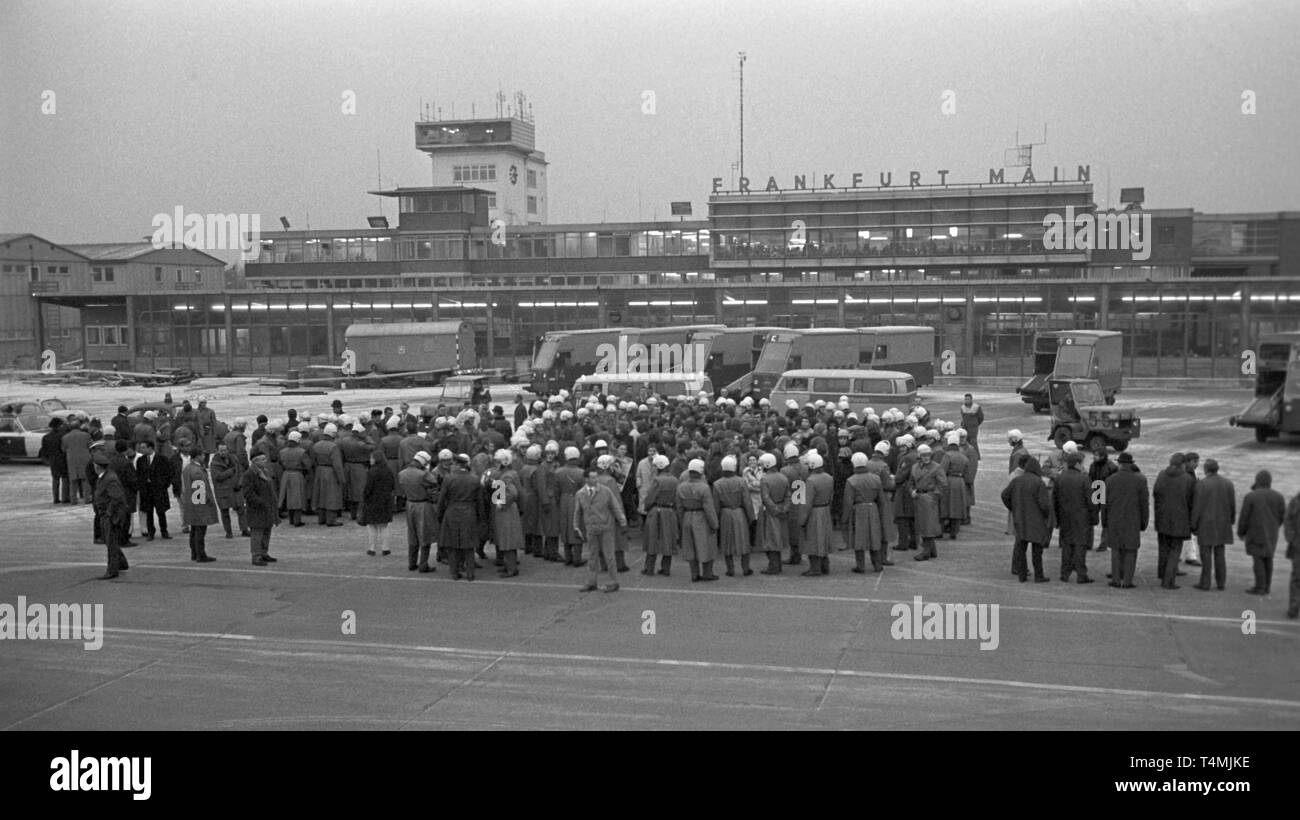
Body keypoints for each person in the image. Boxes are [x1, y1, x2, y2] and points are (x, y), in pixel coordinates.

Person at [574, 467, 626, 593]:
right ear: (586, 479)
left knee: (609, 556)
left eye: (596, 477)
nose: (596, 479)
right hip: (591, 528)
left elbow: (615, 506)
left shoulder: (606, 491)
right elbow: (577, 511)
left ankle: (614, 582)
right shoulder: (580, 494)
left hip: (606, 528)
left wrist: (622, 521)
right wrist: (576, 526)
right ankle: (592, 582)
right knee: (592, 556)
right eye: (593, 477)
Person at [1002, 454, 1052, 582]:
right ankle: (1039, 575)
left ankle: (1022, 574)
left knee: (1021, 548)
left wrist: (1013, 508)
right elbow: (1044, 504)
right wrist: (1046, 515)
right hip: (1036, 520)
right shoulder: (1039, 482)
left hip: (1020, 518)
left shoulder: (1017, 480)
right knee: (1037, 550)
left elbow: (1005, 495)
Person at [1103, 452, 1148, 589]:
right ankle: (1128, 581)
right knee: (1130, 550)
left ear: (1119, 464)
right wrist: (1144, 522)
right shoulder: (1140, 480)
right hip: (1133, 520)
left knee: (1116, 550)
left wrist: (1104, 521)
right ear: (1131, 464)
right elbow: (1144, 504)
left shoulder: (1110, 480)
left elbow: (1104, 504)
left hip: (1114, 520)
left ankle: (1116, 579)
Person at [1189, 458, 1234, 591]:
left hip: (1206, 524)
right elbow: (1232, 505)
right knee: (1220, 554)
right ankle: (1221, 582)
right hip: (1222, 523)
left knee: (1206, 555)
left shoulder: (1202, 484)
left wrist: (1193, 524)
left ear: (1206, 469)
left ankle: (1205, 582)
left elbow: (1197, 507)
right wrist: (1231, 520)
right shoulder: (1228, 484)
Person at [1238, 470, 1285, 596]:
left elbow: (1244, 517)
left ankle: (1260, 587)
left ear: (1257, 481)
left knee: (1258, 559)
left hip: (1255, 532)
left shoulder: (1250, 496)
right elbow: (1282, 517)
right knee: (1268, 558)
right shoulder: (1279, 497)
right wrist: (1274, 526)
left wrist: (1241, 532)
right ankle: (1267, 587)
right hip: (1272, 533)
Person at [1153, 453, 1195, 590]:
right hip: (1180, 519)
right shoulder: (1188, 479)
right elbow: (1191, 501)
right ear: (1183, 464)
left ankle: (1162, 574)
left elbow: (1156, 493)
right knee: (1175, 550)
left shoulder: (1161, 475)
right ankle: (1168, 580)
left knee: (1163, 548)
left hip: (1162, 518)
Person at [1054, 450, 1096, 583]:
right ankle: (1081, 574)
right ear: (1077, 464)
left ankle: (1064, 573)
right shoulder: (1084, 478)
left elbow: (1054, 499)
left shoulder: (1060, 478)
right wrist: (1094, 517)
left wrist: (1057, 518)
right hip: (1081, 518)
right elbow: (1091, 500)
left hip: (1065, 516)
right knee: (1080, 545)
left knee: (1066, 544)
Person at [438, 454, 482, 581]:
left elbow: (442, 499)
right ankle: (470, 573)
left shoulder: (448, 478)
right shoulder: (474, 479)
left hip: (452, 511)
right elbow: (479, 501)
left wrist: (440, 515)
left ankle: (454, 573)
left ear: (457, 465)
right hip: (469, 512)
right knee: (469, 545)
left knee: (452, 545)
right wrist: (480, 517)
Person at [677, 458, 720, 582]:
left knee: (690, 547)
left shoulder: (681, 487)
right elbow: (709, 508)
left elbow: (679, 507)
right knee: (707, 545)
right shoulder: (704, 487)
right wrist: (714, 524)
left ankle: (694, 574)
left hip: (687, 516)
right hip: (701, 517)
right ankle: (707, 573)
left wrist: (682, 522)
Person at [842, 451, 886, 573]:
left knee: (858, 538)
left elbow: (848, 502)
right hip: (873, 509)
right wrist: (881, 513)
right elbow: (881, 499)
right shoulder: (876, 478)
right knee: (875, 537)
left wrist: (845, 519)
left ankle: (860, 566)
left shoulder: (851, 481)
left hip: (858, 510)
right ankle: (877, 564)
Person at [484, 449, 525, 577]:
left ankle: (511, 568)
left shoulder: (506, 476)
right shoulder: (510, 473)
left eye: (498, 462)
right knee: (507, 538)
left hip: (506, 510)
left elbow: (512, 493)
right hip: (509, 509)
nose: (496, 464)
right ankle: (509, 565)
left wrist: (501, 503)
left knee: (507, 539)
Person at [714, 455, 756, 577]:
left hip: (725, 513)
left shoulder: (717, 484)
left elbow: (716, 505)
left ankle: (730, 569)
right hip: (739, 512)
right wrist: (751, 517)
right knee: (744, 541)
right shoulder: (741, 481)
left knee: (726, 542)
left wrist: (715, 520)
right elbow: (747, 501)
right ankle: (746, 568)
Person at [399, 451, 439, 571]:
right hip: (422, 505)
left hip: (409, 504)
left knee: (412, 534)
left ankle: (412, 563)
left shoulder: (402, 473)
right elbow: (434, 481)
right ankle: (423, 564)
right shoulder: (423, 474)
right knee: (424, 534)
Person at [91, 458, 130, 580]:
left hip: (111, 516)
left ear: (97, 467)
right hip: (105, 514)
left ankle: (112, 570)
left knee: (111, 542)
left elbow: (117, 498)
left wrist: (109, 512)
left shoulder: (110, 479)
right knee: (109, 540)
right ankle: (122, 562)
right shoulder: (104, 477)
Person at [179, 444, 218, 562]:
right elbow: (199, 489)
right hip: (199, 505)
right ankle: (200, 554)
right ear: (198, 456)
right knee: (200, 531)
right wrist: (208, 500)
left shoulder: (188, 468)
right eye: (202, 455)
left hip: (191, 503)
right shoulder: (197, 471)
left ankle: (194, 553)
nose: (204, 457)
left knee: (194, 530)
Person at [641, 454, 679, 576]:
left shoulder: (657, 480)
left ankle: (649, 568)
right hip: (670, 511)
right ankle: (666, 568)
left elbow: (650, 498)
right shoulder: (674, 480)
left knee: (652, 539)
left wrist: (646, 507)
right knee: (668, 539)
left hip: (656, 511)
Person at [241, 451, 279, 566]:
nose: (265, 461)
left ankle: (264, 552)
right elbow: (248, 493)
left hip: (267, 508)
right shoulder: (250, 474)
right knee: (257, 533)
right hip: (257, 509)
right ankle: (256, 556)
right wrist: (261, 502)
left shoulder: (265, 471)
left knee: (266, 531)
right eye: (262, 459)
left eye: (265, 459)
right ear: (255, 461)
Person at [910, 444, 945, 562]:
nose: (926, 457)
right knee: (922, 525)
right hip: (918, 497)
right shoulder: (914, 467)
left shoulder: (937, 467)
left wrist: (934, 496)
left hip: (929, 497)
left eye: (928, 455)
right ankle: (932, 550)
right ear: (919, 456)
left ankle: (926, 552)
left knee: (928, 525)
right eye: (924, 455)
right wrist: (912, 491)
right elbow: (911, 482)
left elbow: (942, 484)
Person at [134, 440, 173, 541]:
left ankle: (164, 531)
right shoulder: (140, 460)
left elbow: (168, 473)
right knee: (148, 512)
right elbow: (138, 474)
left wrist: (164, 485)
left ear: (150, 448)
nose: (141, 449)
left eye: (143, 447)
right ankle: (151, 532)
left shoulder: (162, 459)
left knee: (161, 512)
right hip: (147, 490)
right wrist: (142, 486)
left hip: (158, 489)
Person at [361, 449, 395, 557]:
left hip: (373, 501)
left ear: (375, 459)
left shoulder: (372, 471)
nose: (370, 460)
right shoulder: (388, 470)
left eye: (371, 458)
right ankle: (386, 548)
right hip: (385, 500)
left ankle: (372, 549)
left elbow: (368, 488)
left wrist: (365, 497)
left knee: (372, 526)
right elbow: (392, 485)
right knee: (384, 526)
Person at [39, 416, 70, 503]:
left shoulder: (46, 437)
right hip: (63, 459)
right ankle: (65, 497)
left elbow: (44, 451)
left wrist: (47, 460)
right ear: (58, 425)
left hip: (53, 460)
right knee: (65, 478)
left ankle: (55, 498)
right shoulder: (63, 436)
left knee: (55, 479)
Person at [62, 417, 92, 504]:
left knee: (73, 480)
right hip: (84, 458)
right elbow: (90, 446)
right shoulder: (86, 435)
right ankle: (87, 498)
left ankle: (73, 499)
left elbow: (63, 449)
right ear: (79, 426)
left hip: (72, 460)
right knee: (85, 479)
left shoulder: (65, 437)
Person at [1283, 489, 1300, 619]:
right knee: (1296, 578)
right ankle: (1293, 608)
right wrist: (1291, 539)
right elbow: (1288, 520)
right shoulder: (1296, 501)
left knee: (1296, 578)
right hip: (1298, 545)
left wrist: (1291, 538)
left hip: (1297, 545)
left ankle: (1293, 608)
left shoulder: (1295, 501)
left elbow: (1288, 520)